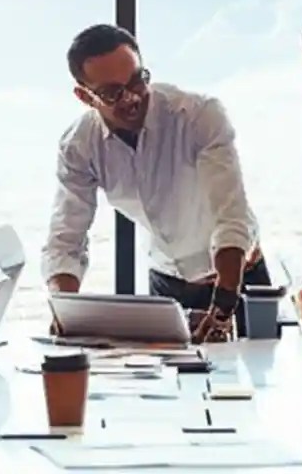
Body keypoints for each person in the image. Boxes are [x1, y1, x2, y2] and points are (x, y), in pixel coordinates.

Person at [42, 24, 266, 341]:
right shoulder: (79, 146)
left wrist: (223, 308)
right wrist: (64, 312)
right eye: (112, 93)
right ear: (84, 96)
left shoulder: (198, 115)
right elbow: (66, 238)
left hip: (236, 278)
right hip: (167, 284)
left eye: (137, 81)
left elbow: (230, 215)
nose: (132, 98)